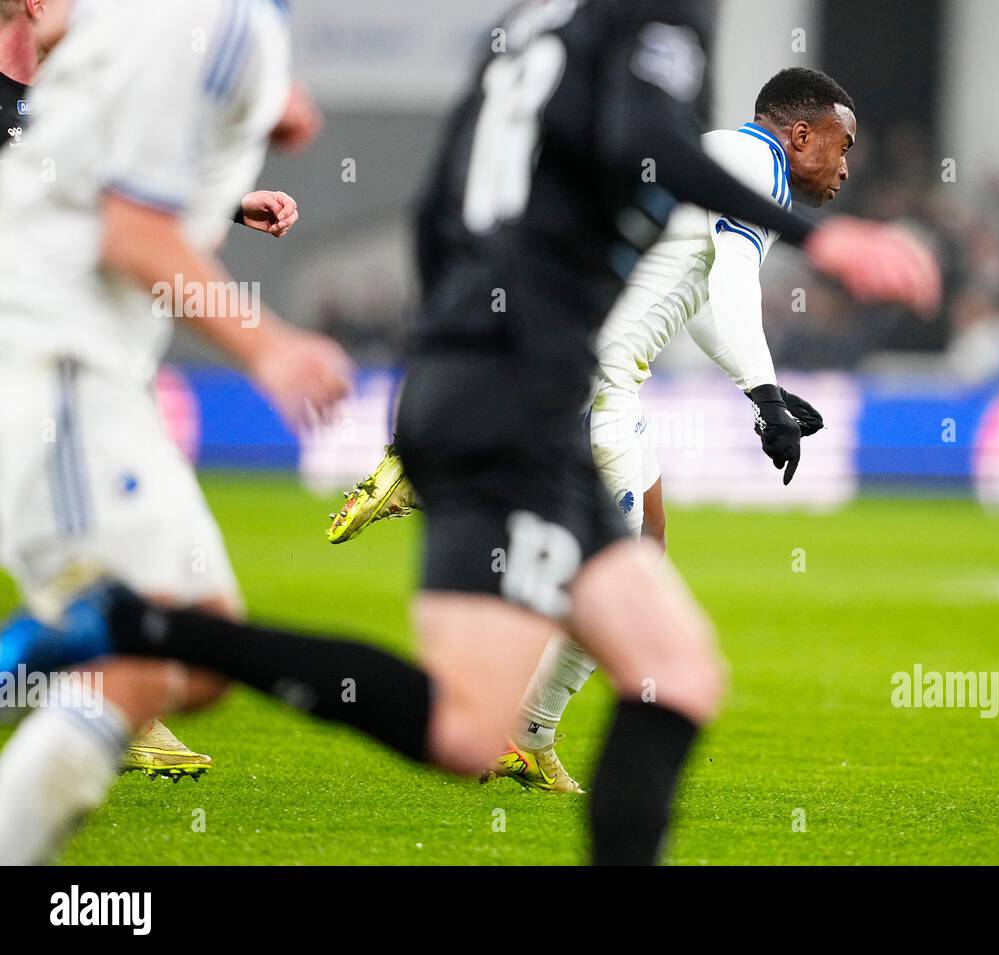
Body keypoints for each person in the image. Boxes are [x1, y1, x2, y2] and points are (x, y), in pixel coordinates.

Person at [0, 0, 938, 866]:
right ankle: (137, 623)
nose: (846, 172)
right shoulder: (678, 52)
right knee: (468, 718)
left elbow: (453, 200)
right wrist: (819, 261)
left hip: (502, 372)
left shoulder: (528, 27)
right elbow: (651, 147)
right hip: (532, 392)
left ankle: (155, 625)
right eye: (841, 151)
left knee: (671, 669)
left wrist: (450, 342)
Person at [328, 67, 926, 793]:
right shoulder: (757, 166)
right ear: (801, 134)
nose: (845, 165)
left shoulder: (725, 156)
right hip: (590, 378)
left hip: (603, 372)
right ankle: (460, 514)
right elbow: (733, 282)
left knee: (647, 541)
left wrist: (759, 387)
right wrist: (766, 394)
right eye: (844, 145)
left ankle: (523, 719)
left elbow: (701, 296)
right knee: (606, 573)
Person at [0, 0, 353, 864]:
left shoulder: (185, 24)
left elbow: (99, 115)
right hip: (54, 355)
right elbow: (133, 232)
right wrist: (270, 348)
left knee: (192, 647)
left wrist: (259, 104)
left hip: (77, 360)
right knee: (167, 632)